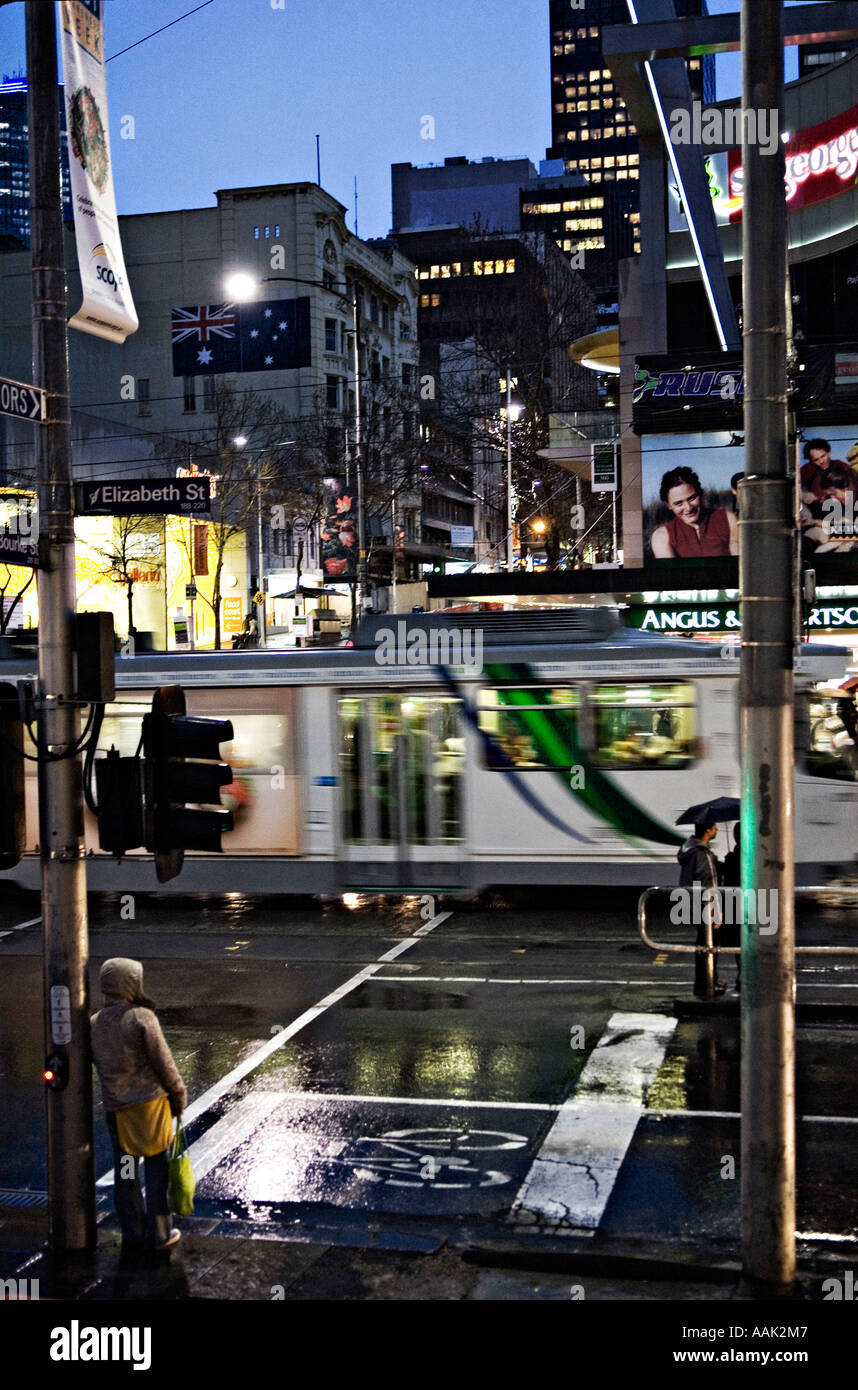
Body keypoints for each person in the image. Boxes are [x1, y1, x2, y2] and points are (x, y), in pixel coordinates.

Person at [90, 958, 187, 1252]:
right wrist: (178, 1094)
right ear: (131, 983)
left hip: (117, 1110)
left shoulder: (94, 1023)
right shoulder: (142, 1017)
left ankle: (132, 1232)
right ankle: (160, 1232)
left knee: (126, 1169)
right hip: (150, 1107)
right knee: (157, 1169)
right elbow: (164, 1062)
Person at [677, 815, 725, 997]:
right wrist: (716, 912)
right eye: (714, 827)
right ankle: (709, 983)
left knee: (702, 943)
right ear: (707, 830)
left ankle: (703, 982)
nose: (716, 830)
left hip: (691, 901)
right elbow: (710, 884)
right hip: (704, 906)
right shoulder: (702, 854)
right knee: (710, 944)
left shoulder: (690, 850)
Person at [650, 467, 738, 558]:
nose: (688, 508)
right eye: (679, 503)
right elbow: (670, 572)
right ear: (669, 505)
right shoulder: (662, 536)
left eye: (692, 498)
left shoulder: (728, 519)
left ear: (700, 493)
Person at [720, 821, 741, 994]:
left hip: (735, 908)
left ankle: (742, 978)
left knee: (739, 946)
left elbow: (727, 884)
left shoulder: (731, 858)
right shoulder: (755, 856)